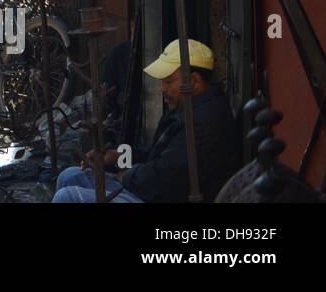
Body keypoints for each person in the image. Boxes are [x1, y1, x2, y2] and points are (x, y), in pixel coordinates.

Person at [52, 39, 241, 203]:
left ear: (194, 81)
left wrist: (127, 176)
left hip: (161, 197)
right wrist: (118, 156)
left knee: (66, 197)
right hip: (149, 188)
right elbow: (156, 155)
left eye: (168, 82)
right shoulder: (186, 107)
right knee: (70, 176)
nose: (162, 89)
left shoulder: (205, 122)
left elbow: (164, 179)